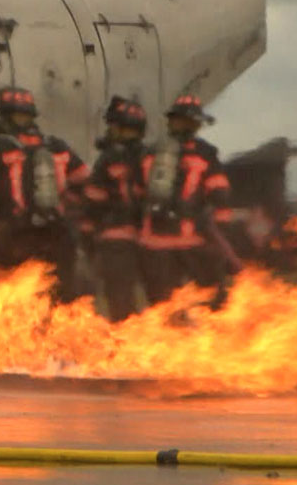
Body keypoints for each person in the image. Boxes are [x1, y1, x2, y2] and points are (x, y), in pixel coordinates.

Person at [0, 86, 90, 302]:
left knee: (13, 299)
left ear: (4, 116)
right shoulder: (55, 146)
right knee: (62, 299)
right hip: (58, 235)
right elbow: (84, 181)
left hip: (17, 236)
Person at [138, 94, 235, 305]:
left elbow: (135, 195)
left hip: (154, 244)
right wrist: (221, 235)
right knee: (209, 302)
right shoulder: (205, 154)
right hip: (192, 243)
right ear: (196, 124)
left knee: (162, 307)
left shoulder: (149, 153)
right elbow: (220, 195)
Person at [83, 96, 148, 321]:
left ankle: (126, 338)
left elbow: (93, 201)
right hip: (151, 239)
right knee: (158, 300)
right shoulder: (150, 157)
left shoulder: (107, 159)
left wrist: (87, 240)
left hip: (115, 239)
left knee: (120, 300)